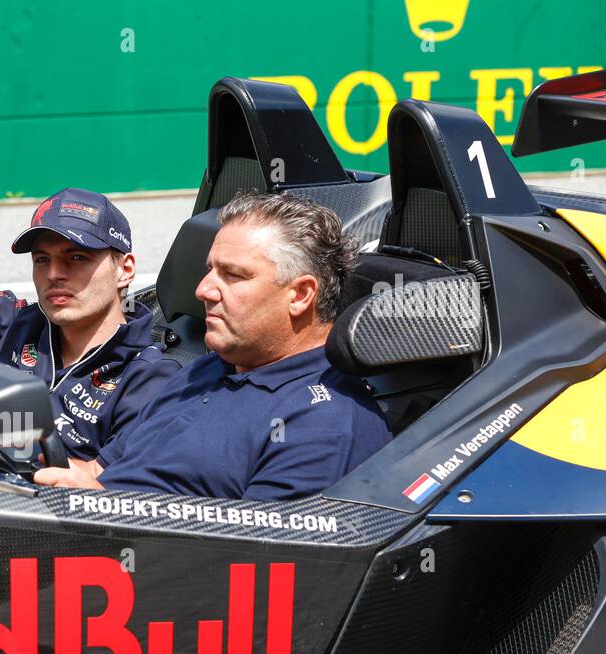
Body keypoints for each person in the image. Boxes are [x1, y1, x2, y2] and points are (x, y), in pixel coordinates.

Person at [34, 191, 392, 501]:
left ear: (300, 295)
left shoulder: (325, 424)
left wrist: (100, 504)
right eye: (209, 270)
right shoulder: (207, 368)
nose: (203, 290)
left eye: (233, 275)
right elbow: (99, 470)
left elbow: (257, 564)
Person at [0, 72, 180, 459]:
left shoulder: (148, 378)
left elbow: (119, 491)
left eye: (77, 258)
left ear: (126, 269)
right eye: (42, 259)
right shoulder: (16, 326)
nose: (54, 274)